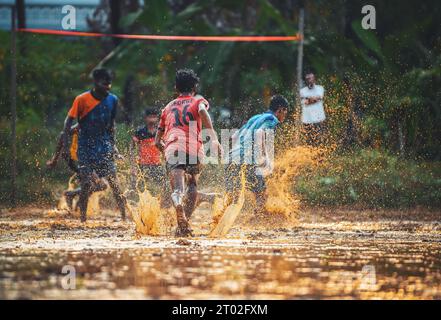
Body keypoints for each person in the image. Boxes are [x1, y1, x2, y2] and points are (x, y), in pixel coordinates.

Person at [155, 69, 222, 237]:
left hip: (173, 147)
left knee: (177, 189)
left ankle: (178, 205)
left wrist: (167, 152)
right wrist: (213, 138)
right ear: (195, 87)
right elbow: (202, 111)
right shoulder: (198, 100)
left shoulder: (168, 107)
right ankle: (185, 224)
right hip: (193, 148)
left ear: (176, 88)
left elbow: (157, 141)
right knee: (192, 185)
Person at [61, 69, 126, 222]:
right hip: (85, 147)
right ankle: (83, 218)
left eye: (109, 84)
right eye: (104, 84)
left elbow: (112, 126)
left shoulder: (113, 100)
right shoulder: (82, 99)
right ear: (96, 82)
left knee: (114, 183)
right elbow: (68, 122)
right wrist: (65, 148)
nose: (108, 87)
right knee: (86, 184)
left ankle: (124, 217)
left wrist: (113, 146)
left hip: (104, 146)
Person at [225, 95, 289, 215]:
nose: (285, 115)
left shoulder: (256, 117)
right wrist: (264, 156)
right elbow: (260, 133)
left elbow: (234, 137)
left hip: (232, 156)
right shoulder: (272, 119)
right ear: (280, 109)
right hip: (247, 158)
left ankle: (213, 208)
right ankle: (260, 219)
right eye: (285, 111)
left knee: (234, 194)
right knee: (262, 193)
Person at [130, 107, 170, 206]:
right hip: (143, 165)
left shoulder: (160, 132)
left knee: (166, 185)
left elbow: (166, 146)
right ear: (146, 118)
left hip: (158, 164)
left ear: (158, 119)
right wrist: (133, 165)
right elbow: (132, 147)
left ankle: (163, 205)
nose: (152, 119)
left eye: (154, 117)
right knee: (140, 187)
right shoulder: (140, 132)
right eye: (150, 117)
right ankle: (140, 205)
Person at [300, 72, 326, 146]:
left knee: (320, 139)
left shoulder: (320, 88)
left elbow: (318, 98)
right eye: (308, 79)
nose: (309, 80)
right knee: (308, 141)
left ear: (314, 79)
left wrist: (307, 98)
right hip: (307, 120)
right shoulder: (302, 91)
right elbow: (306, 103)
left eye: (311, 78)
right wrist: (313, 99)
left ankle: (320, 156)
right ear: (305, 80)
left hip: (319, 119)